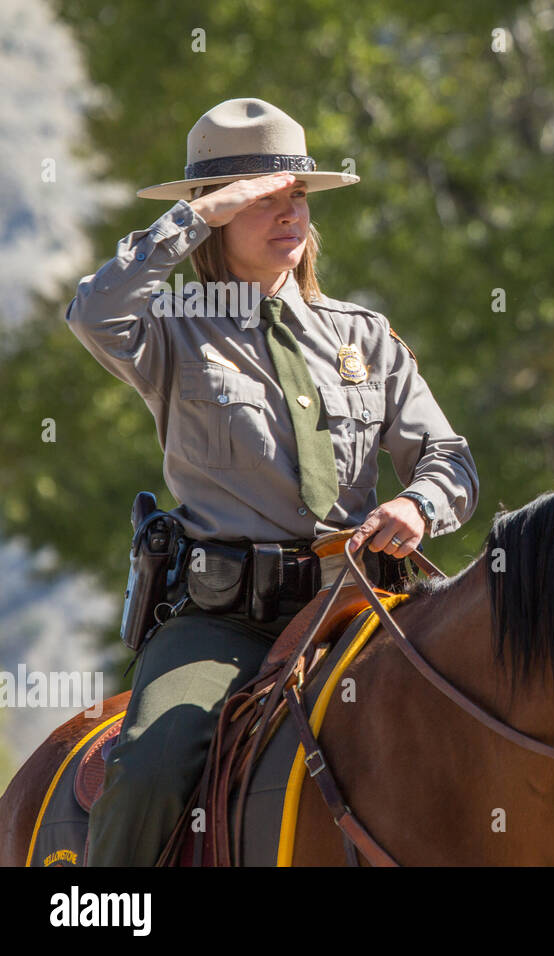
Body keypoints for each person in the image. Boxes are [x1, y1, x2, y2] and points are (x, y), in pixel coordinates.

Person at [68, 97, 478, 865]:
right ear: (215, 213)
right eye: (262, 200)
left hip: (365, 606)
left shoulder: (362, 335)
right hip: (225, 624)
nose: (290, 213)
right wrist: (195, 215)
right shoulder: (171, 328)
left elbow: (448, 457)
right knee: (149, 772)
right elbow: (93, 312)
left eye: (297, 197)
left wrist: (418, 504)